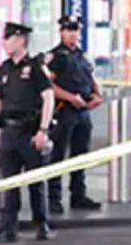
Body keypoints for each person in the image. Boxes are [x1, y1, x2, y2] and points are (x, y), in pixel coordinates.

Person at [0, 22, 56, 243]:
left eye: (8, 38)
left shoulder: (35, 67)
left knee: (36, 182)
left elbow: (48, 98)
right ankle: (7, 228)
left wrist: (43, 130)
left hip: (30, 132)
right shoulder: (4, 68)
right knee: (9, 183)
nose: (4, 42)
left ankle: (41, 224)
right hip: (9, 131)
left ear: (20, 40)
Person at [45, 16, 103, 214]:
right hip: (64, 111)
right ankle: (54, 198)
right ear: (61, 32)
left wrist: (97, 95)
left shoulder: (82, 56)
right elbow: (47, 86)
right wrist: (70, 98)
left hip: (83, 112)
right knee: (58, 155)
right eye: (69, 30)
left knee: (80, 155)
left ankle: (78, 195)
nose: (73, 34)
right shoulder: (54, 57)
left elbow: (91, 79)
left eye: (76, 30)